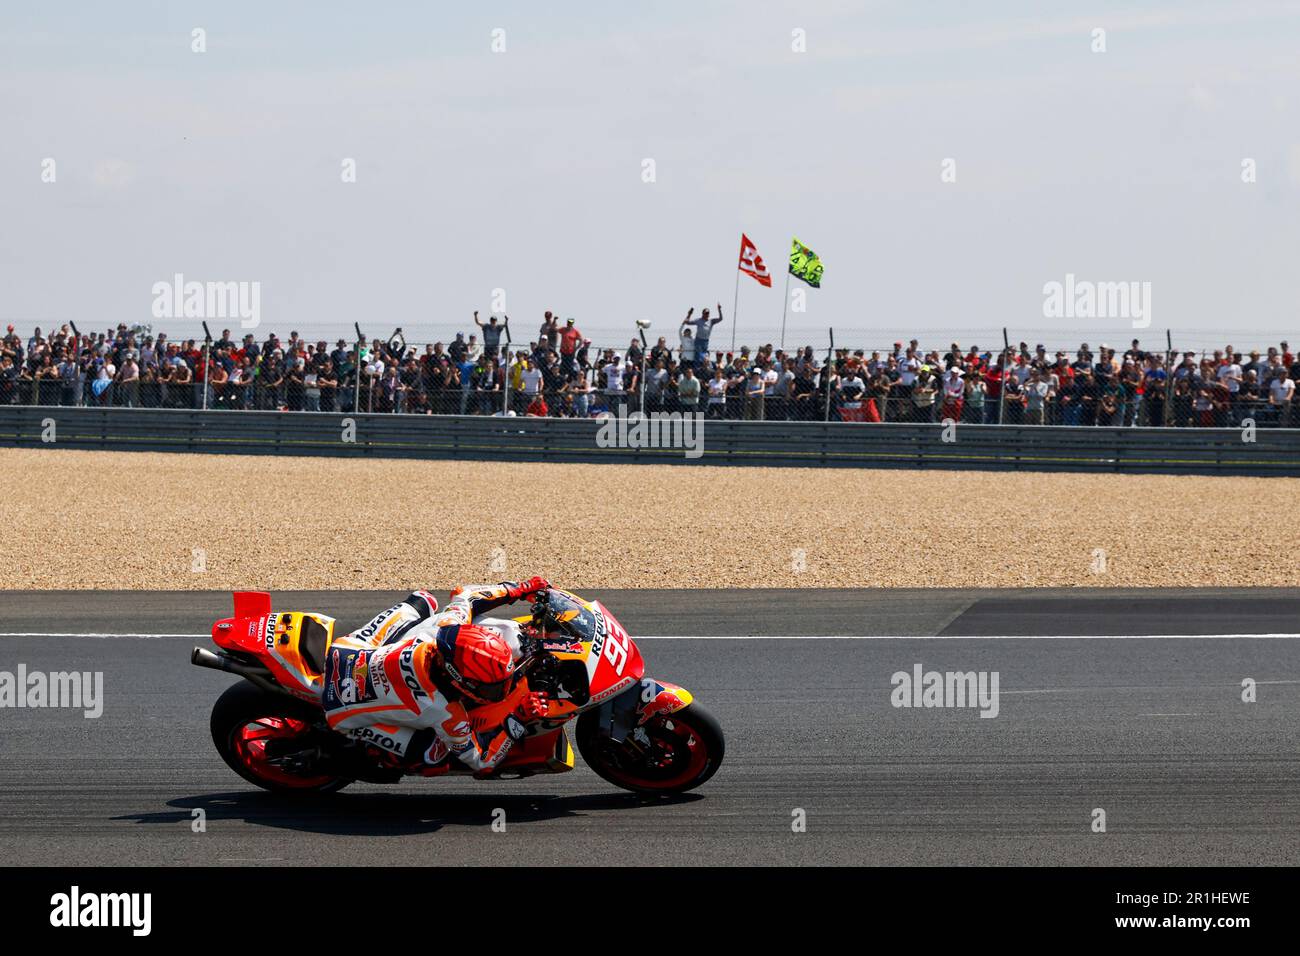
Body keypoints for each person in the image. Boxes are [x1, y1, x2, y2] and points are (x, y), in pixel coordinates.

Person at [322, 578, 552, 774]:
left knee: (424, 600)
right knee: (435, 757)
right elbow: (482, 761)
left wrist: (520, 588)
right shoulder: (446, 712)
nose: (497, 691)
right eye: (488, 688)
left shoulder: (444, 628)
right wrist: (519, 718)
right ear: (458, 681)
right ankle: (377, 754)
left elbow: (466, 596)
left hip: (347, 652)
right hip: (340, 710)